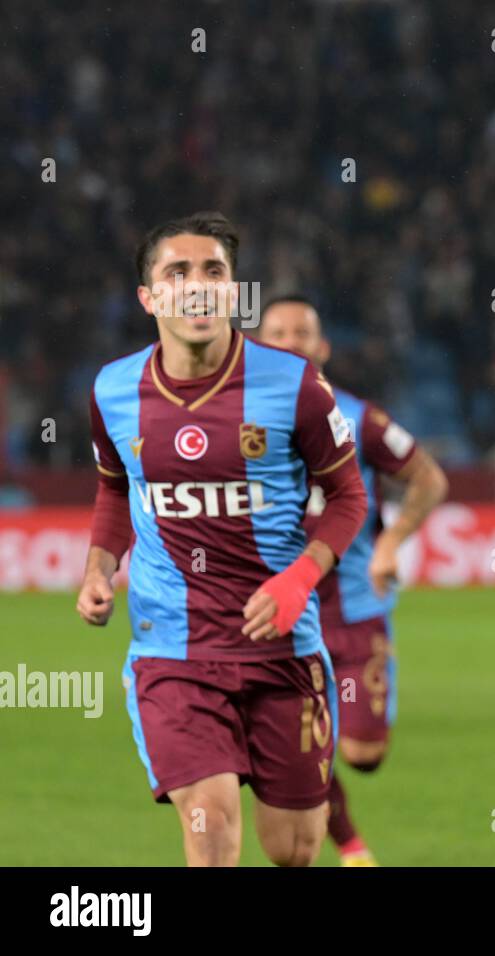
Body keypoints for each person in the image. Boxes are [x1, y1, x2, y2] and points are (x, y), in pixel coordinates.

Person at [77, 212, 368, 866]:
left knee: (294, 850)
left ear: (234, 293)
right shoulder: (113, 391)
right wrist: (100, 568)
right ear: (150, 298)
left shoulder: (295, 387)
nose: (198, 285)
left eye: (214, 271)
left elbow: (349, 495)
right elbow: (115, 487)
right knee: (212, 838)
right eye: (177, 272)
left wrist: (300, 581)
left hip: (281, 649)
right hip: (172, 651)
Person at [259, 295, 448, 865]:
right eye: (278, 333)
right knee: (296, 744)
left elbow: (429, 479)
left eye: (303, 333)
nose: (291, 342)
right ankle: (352, 845)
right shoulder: (237, 422)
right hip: (279, 613)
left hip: (355, 607)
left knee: (363, 752)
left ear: (322, 348)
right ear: (260, 345)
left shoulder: (358, 418)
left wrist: (391, 542)